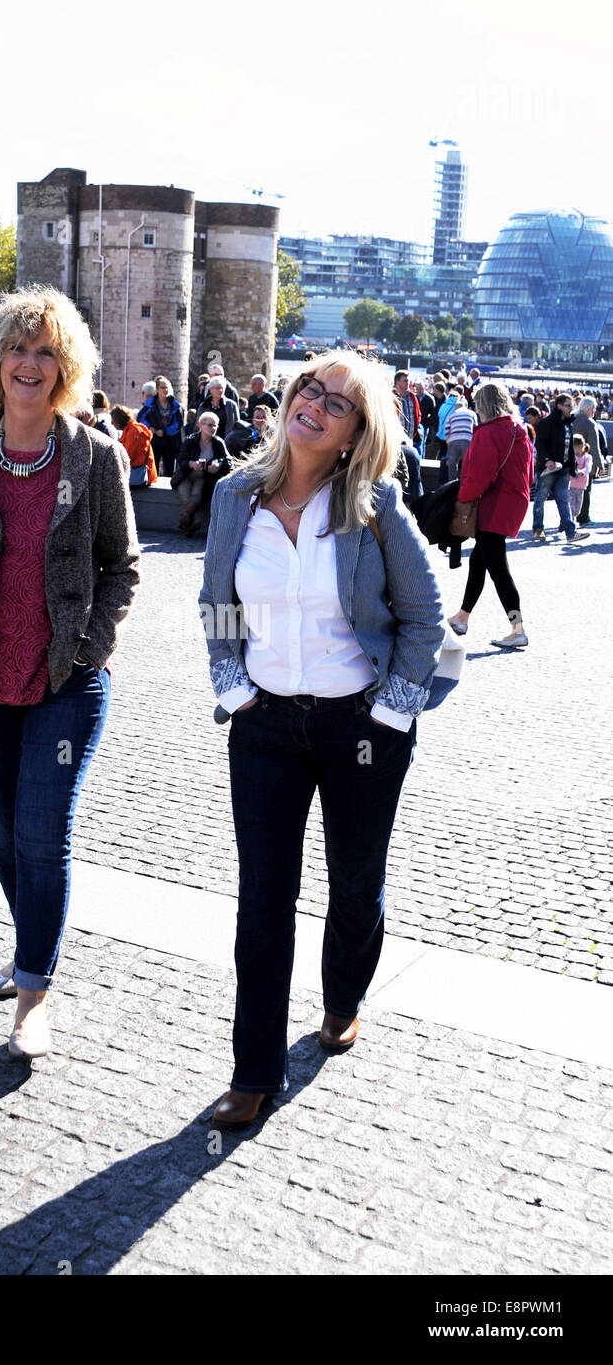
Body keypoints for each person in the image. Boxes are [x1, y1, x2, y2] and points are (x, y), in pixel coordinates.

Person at [199, 350, 444, 1127]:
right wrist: (234, 689)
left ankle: (344, 998)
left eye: (338, 402)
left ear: (353, 434)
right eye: (311, 387)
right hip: (265, 726)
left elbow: (424, 617)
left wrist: (391, 713)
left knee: (354, 884)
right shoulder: (237, 494)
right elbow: (217, 602)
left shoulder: (374, 506)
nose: (316, 403)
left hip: (360, 729)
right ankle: (253, 1070)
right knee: (262, 901)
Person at [0, 286, 140, 1061]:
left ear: (66, 367)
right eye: (17, 348)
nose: (29, 364)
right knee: (3, 831)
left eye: (46, 352)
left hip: (65, 682)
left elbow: (123, 567)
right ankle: (29, 940)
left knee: (43, 834)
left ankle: (33, 993)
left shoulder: (97, 455)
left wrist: (89, 647)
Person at [447, 382, 534, 650]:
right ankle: (462, 617)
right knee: (480, 561)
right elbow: (528, 472)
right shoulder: (519, 431)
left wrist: (462, 500)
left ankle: (517, 627)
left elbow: (479, 475)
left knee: (498, 569)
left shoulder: (489, 432)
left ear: (481, 405)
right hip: (513, 502)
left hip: (493, 505)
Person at [532, 395, 589, 543]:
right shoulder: (547, 423)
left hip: (563, 468)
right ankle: (538, 529)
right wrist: (547, 460)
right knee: (540, 499)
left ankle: (571, 532)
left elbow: (569, 447)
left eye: (571, 406)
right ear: (559, 406)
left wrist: (573, 465)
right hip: (548, 468)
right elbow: (540, 444)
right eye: (567, 406)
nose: (571, 408)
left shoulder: (568, 423)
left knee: (564, 501)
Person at [172, 410, 230, 533]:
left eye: (215, 425)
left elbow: (228, 460)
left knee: (196, 499)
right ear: (200, 425)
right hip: (185, 476)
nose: (213, 428)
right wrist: (191, 464)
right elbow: (181, 460)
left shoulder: (218, 442)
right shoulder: (190, 440)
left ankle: (186, 525)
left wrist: (218, 464)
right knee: (188, 500)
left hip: (203, 478)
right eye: (210, 425)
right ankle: (189, 524)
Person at [571, 396, 605, 526]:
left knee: (567, 491)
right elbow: (594, 447)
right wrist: (600, 465)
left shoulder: (571, 418)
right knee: (585, 490)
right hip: (584, 462)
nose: (594, 411)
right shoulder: (590, 423)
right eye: (594, 408)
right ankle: (583, 518)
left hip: (569, 460)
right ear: (589, 408)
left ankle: (567, 518)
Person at [143, 375, 184, 478]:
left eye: (166, 387)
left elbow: (179, 423)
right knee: (153, 466)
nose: (165, 390)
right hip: (155, 440)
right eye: (162, 387)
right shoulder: (150, 404)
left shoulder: (174, 404)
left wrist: (165, 431)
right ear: (157, 389)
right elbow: (141, 419)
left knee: (169, 468)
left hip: (170, 441)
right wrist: (150, 428)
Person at [111, 404, 158, 485]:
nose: (111, 423)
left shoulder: (134, 431)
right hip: (136, 471)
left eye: (113, 420)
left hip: (139, 474)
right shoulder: (130, 429)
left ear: (119, 420)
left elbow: (128, 456)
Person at [444, 392, 477, 481]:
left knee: (452, 465)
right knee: (467, 465)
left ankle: (452, 485)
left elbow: (447, 432)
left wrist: (449, 445)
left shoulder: (451, 415)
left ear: (456, 407)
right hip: (467, 440)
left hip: (454, 441)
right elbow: (476, 429)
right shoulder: (471, 413)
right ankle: (466, 484)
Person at [392, 370, 421, 449]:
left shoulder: (412, 397)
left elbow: (418, 414)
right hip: (394, 439)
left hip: (409, 438)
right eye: (405, 381)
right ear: (397, 382)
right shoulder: (391, 397)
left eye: (408, 380)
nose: (408, 383)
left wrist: (414, 431)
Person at [568, 435, 592, 524]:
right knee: (570, 506)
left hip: (581, 486)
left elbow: (588, 467)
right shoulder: (571, 457)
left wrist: (581, 472)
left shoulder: (587, 457)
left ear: (580, 447)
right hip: (570, 485)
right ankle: (569, 523)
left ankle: (569, 520)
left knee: (577, 510)